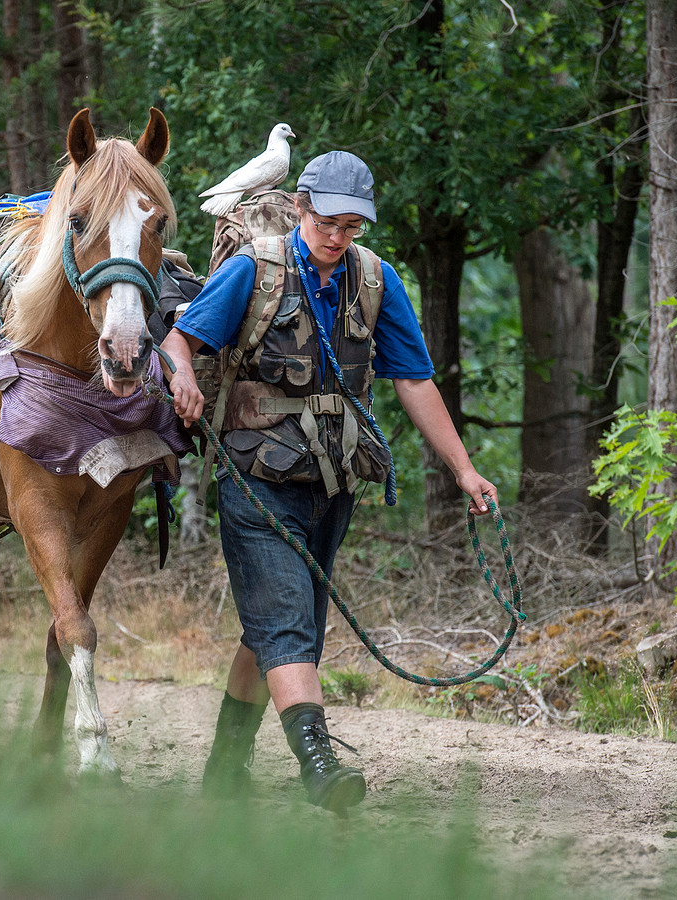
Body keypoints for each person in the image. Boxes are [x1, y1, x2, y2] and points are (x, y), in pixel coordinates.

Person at [161, 150, 496, 811]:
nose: (339, 239)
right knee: (286, 624)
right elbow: (180, 341)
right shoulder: (252, 270)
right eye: (328, 224)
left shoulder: (374, 279)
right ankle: (320, 766)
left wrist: (463, 468)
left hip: (332, 480)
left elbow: (414, 379)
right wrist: (180, 378)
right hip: (255, 474)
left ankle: (225, 770)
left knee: (281, 628)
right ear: (302, 209)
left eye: (352, 227)